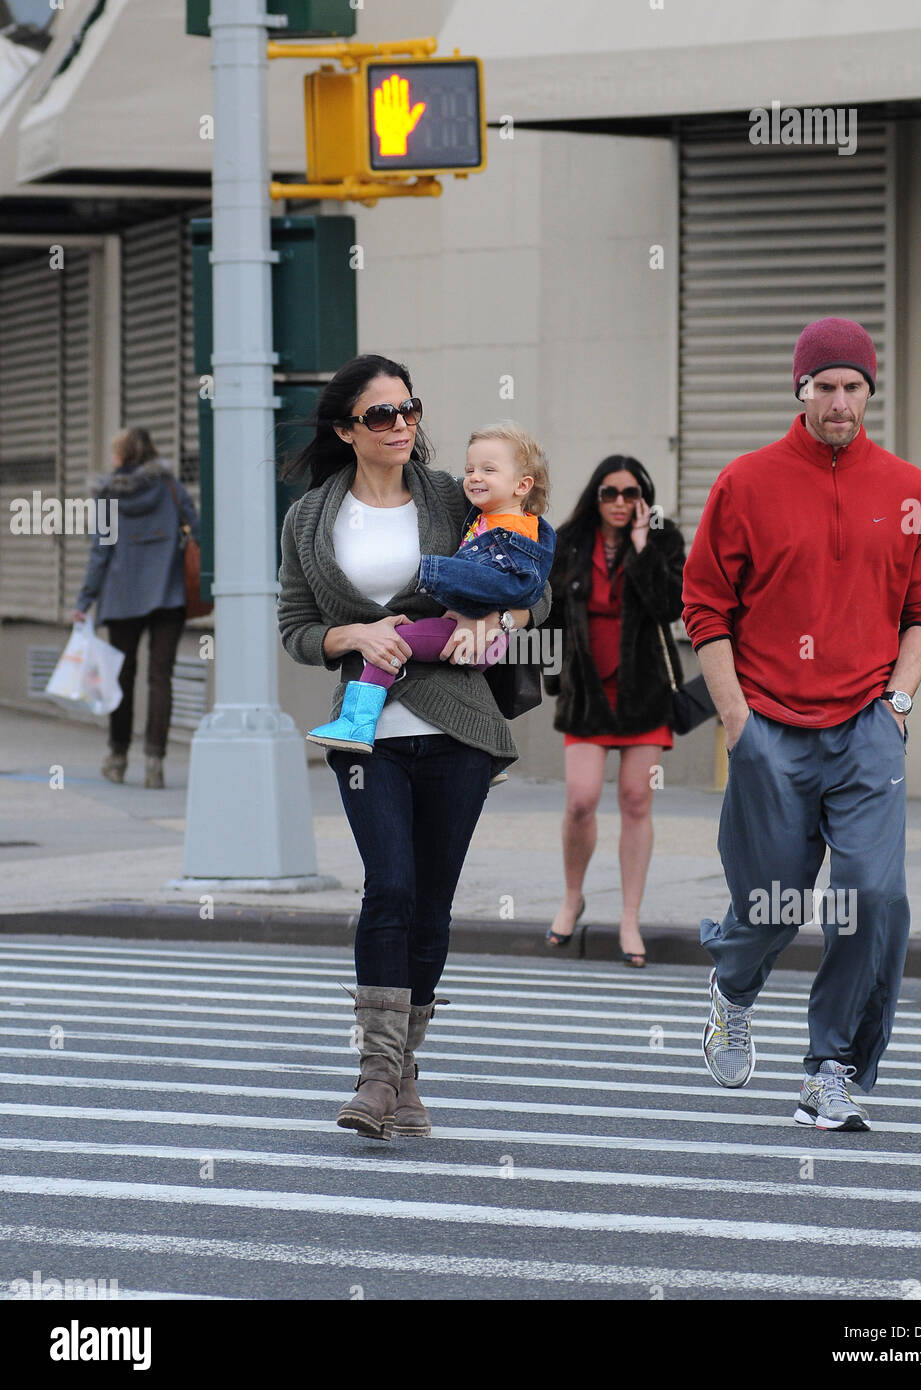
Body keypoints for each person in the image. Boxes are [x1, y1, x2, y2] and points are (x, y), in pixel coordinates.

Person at [682, 316, 921, 1131]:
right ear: (799, 389)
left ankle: (829, 1067)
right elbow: (704, 607)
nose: (838, 401)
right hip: (767, 725)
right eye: (823, 385)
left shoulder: (911, 491)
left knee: (874, 896)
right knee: (772, 903)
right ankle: (732, 986)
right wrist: (734, 720)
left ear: (870, 390)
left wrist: (898, 703)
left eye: (851, 386)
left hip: (868, 724)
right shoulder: (746, 482)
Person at [277, 355, 551, 1141]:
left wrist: (499, 625)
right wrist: (352, 633)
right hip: (366, 735)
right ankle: (374, 1071)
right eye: (381, 416)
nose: (402, 426)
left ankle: (403, 1075)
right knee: (388, 886)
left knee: (431, 903)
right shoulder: (309, 519)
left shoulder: (448, 494)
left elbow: (533, 578)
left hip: (457, 727)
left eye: (409, 410)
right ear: (345, 430)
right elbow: (296, 628)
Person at [304, 421, 555, 753]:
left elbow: (524, 588)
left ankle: (357, 724)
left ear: (522, 485)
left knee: (392, 643)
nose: (474, 477)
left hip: (475, 640)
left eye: (489, 470)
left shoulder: (515, 532)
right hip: (464, 635)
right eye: (471, 469)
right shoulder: (486, 516)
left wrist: (442, 577)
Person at [542, 456, 686, 967]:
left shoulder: (665, 542)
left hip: (644, 698)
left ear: (644, 498)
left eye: (631, 494)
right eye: (610, 493)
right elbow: (550, 617)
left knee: (636, 801)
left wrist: (645, 549)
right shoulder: (569, 543)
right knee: (580, 801)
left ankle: (629, 918)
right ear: (596, 496)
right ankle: (571, 897)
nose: (621, 503)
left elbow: (670, 607)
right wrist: (551, 679)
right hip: (586, 699)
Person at [72, 427, 198, 790]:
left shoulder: (108, 495)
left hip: (122, 595)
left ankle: (117, 757)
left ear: (123, 456)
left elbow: (101, 553)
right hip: (169, 594)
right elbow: (199, 530)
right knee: (161, 678)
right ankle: (155, 763)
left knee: (120, 677)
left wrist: (84, 602)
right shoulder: (171, 487)